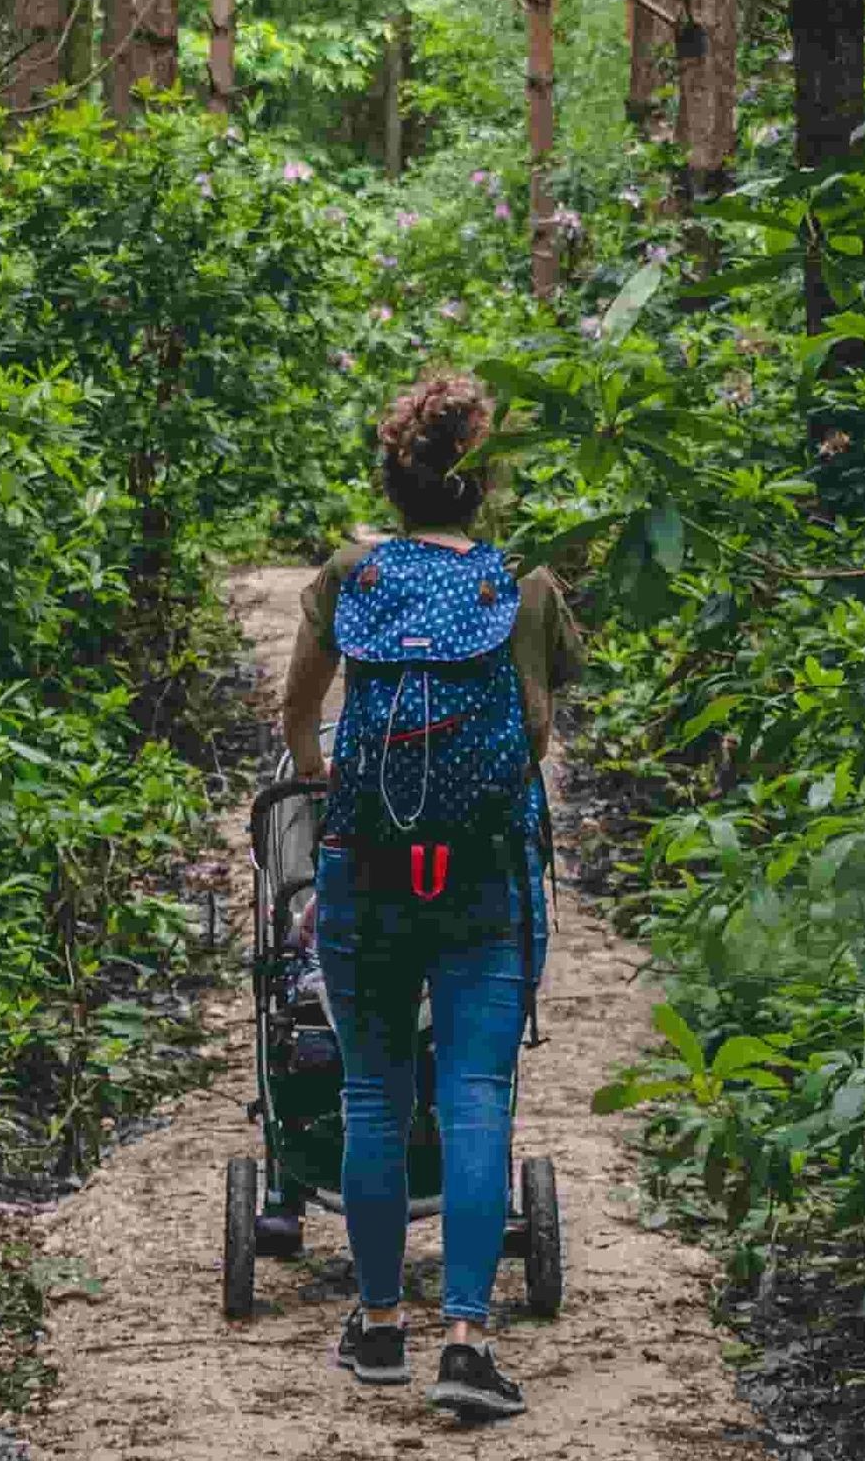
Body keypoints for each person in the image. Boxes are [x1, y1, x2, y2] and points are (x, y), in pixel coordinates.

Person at [280, 371, 584, 1419]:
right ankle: (464, 1337)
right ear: (481, 486)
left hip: (365, 868)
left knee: (371, 1094)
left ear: (392, 480)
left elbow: (297, 710)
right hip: (482, 877)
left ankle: (375, 1326)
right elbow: (537, 731)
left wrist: (320, 769)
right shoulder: (523, 588)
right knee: (471, 1100)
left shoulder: (349, 575)